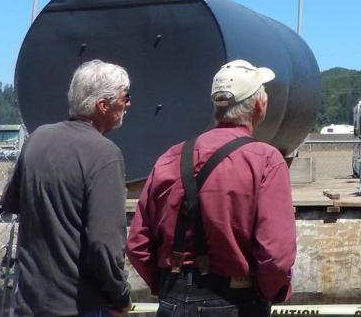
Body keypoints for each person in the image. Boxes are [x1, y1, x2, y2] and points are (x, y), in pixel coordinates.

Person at [126, 60, 296, 316]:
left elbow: (138, 244)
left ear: (217, 108)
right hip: (236, 302)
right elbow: (275, 255)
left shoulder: (170, 157)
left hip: (173, 299)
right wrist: (269, 293)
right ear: (259, 105)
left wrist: (167, 286)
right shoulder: (265, 160)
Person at [1, 59, 133, 317]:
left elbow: (10, 202)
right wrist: (120, 296)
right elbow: (104, 244)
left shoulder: (37, 138)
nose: (129, 104)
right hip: (80, 305)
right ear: (103, 106)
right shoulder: (105, 154)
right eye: (125, 97)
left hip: (30, 302)